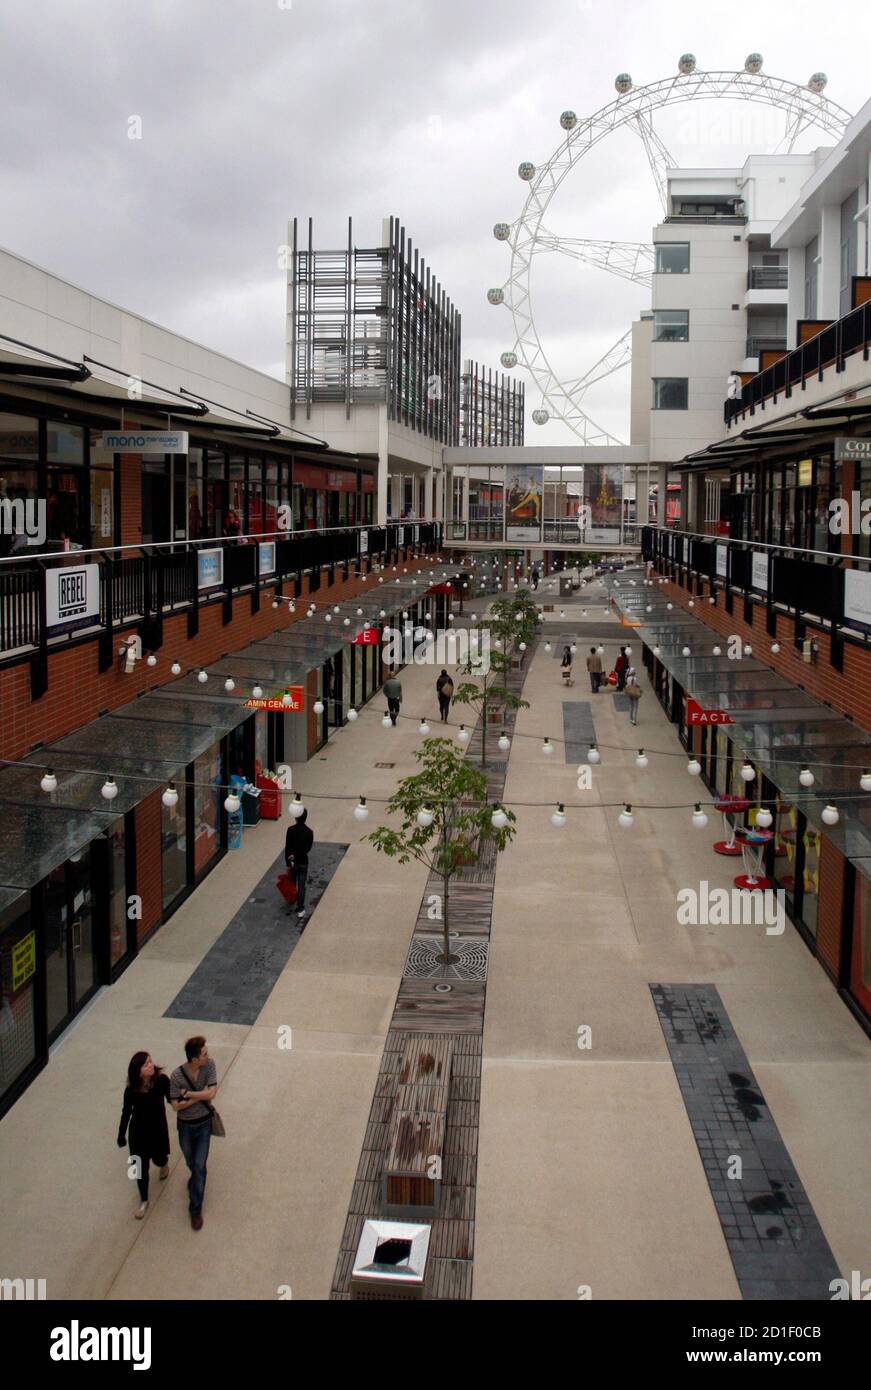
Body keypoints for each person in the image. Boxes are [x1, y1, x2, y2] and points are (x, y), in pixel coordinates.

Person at [170, 1037, 218, 1231]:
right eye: (204, 1054)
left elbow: (212, 1094)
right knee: (192, 1162)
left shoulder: (210, 1066)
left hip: (204, 1123)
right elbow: (175, 1106)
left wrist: (188, 1095)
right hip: (186, 1126)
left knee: (199, 1165)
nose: (208, 1056)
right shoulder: (176, 1076)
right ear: (194, 1059)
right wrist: (200, 1095)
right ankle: (195, 1180)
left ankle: (195, 1209)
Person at [117, 1052, 171, 1220]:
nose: (151, 1065)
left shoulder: (162, 1081)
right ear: (138, 1071)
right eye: (146, 1064)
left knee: (159, 1159)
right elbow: (126, 1113)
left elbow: (172, 1099)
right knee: (138, 1169)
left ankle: (164, 1165)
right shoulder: (131, 1090)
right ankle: (144, 1200)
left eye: (150, 1062)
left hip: (157, 1130)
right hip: (138, 1133)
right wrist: (121, 1134)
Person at [285, 808, 314, 922]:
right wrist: (297, 855)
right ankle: (300, 909)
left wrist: (288, 861)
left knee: (293, 883)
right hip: (303, 862)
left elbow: (287, 847)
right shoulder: (309, 832)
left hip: (292, 863)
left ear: (296, 817)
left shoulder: (290, 830)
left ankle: (292, 899)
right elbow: (308, 849)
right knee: (302, 886)